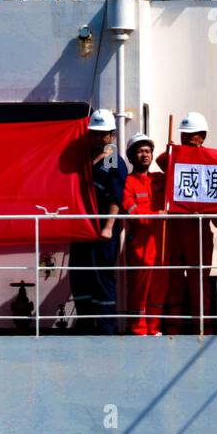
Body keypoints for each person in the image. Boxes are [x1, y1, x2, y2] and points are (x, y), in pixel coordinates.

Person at [70, 109, 127, 335]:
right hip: (82, 230)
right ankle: (85, 324)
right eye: (93, 133)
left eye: (102, 134)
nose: (97, 138)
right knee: (80, 277)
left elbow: (116, 196)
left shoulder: (112, 158)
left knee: (102, 278)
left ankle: (106, 330)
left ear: (111, 136)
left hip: (102, 233)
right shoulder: (85, 160)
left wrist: (109, 227)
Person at [158, 112, 214, 334]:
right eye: (184, 136)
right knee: (174, 279)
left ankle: (204, 325)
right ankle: (174, 326)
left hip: (198, 227)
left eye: (192, 136)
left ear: (202, 137)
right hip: (175, 227)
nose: (187, 140)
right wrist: (172, 149)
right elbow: (161, 161)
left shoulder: (210, 158)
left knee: (199, 278)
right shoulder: (174, 157)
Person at [122, 133, 167, 336]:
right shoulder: (127, 182)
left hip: (161, 244)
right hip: (139, 246)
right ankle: (139, 330)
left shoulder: (159, 179)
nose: (144, 155)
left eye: (148, 151)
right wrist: (157, 215)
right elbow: (133, 213)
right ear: (131, 157)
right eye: (139, 151)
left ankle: (154, 328)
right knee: (139, 290)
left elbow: (172, 164)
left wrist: (172, 149)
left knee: (158, 288)